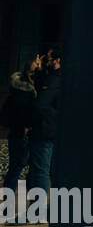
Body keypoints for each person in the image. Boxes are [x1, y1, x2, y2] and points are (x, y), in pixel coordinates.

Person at [27, 47, 60, 196]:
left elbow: (42, 102)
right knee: (38, 169)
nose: (47, 62)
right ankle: (36, 208)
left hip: (45, 129)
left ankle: (38, 210)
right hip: (46, 128)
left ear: (57, 60)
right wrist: (38, 71)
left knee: (40, 171)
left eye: (49, 59)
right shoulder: (52, 76)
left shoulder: (56, 78)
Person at [1, 64, 38, 196]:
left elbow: (4, 116)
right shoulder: (30, 95)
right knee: (22, 168)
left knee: (15, 168)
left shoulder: (14, 93)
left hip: (15, 133)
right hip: (24, 134)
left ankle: (7, 202)